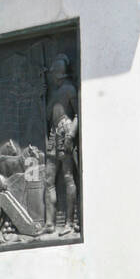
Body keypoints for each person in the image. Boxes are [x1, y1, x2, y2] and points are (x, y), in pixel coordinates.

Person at [43, 54, 79, 237]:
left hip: (65, 132)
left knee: (67, 177)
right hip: (53, 135)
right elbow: (49, 116)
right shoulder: (55, 92)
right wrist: (42, 94)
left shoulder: (69, 89)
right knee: (49, 179)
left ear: (57, 74)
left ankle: (70, 223)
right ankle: (49, 223)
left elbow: (78, 114)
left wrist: (71, 134)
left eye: (52, 73)